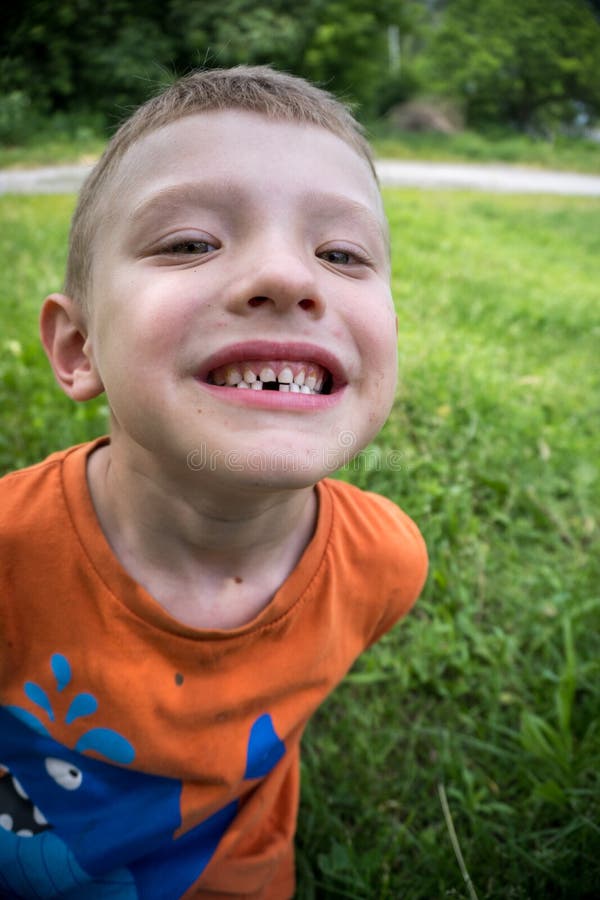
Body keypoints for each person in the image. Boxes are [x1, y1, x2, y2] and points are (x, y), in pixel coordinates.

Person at [0, 66, 427, 899]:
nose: (290, 278)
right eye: (191, 242)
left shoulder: (385, 564)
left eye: (341, 254)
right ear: (79, 348)